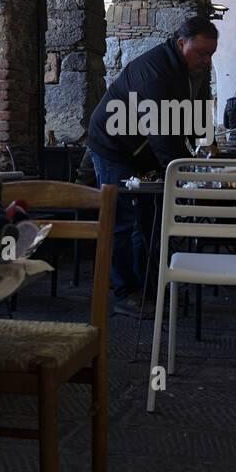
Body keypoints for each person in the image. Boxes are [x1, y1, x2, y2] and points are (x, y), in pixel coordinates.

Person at [87, 15, 218, 308]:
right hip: (113, 145)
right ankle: (124, 291)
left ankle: (150, 285)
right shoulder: (154, 73)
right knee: (120, 219)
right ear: (180, 43)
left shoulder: (197, 68)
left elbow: (199, 110)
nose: (207, 60)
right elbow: (163, 135)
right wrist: (185, 176)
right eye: (201, 52)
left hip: (143, 150)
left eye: (211, 53)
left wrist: (210, 145)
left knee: (149, 217)